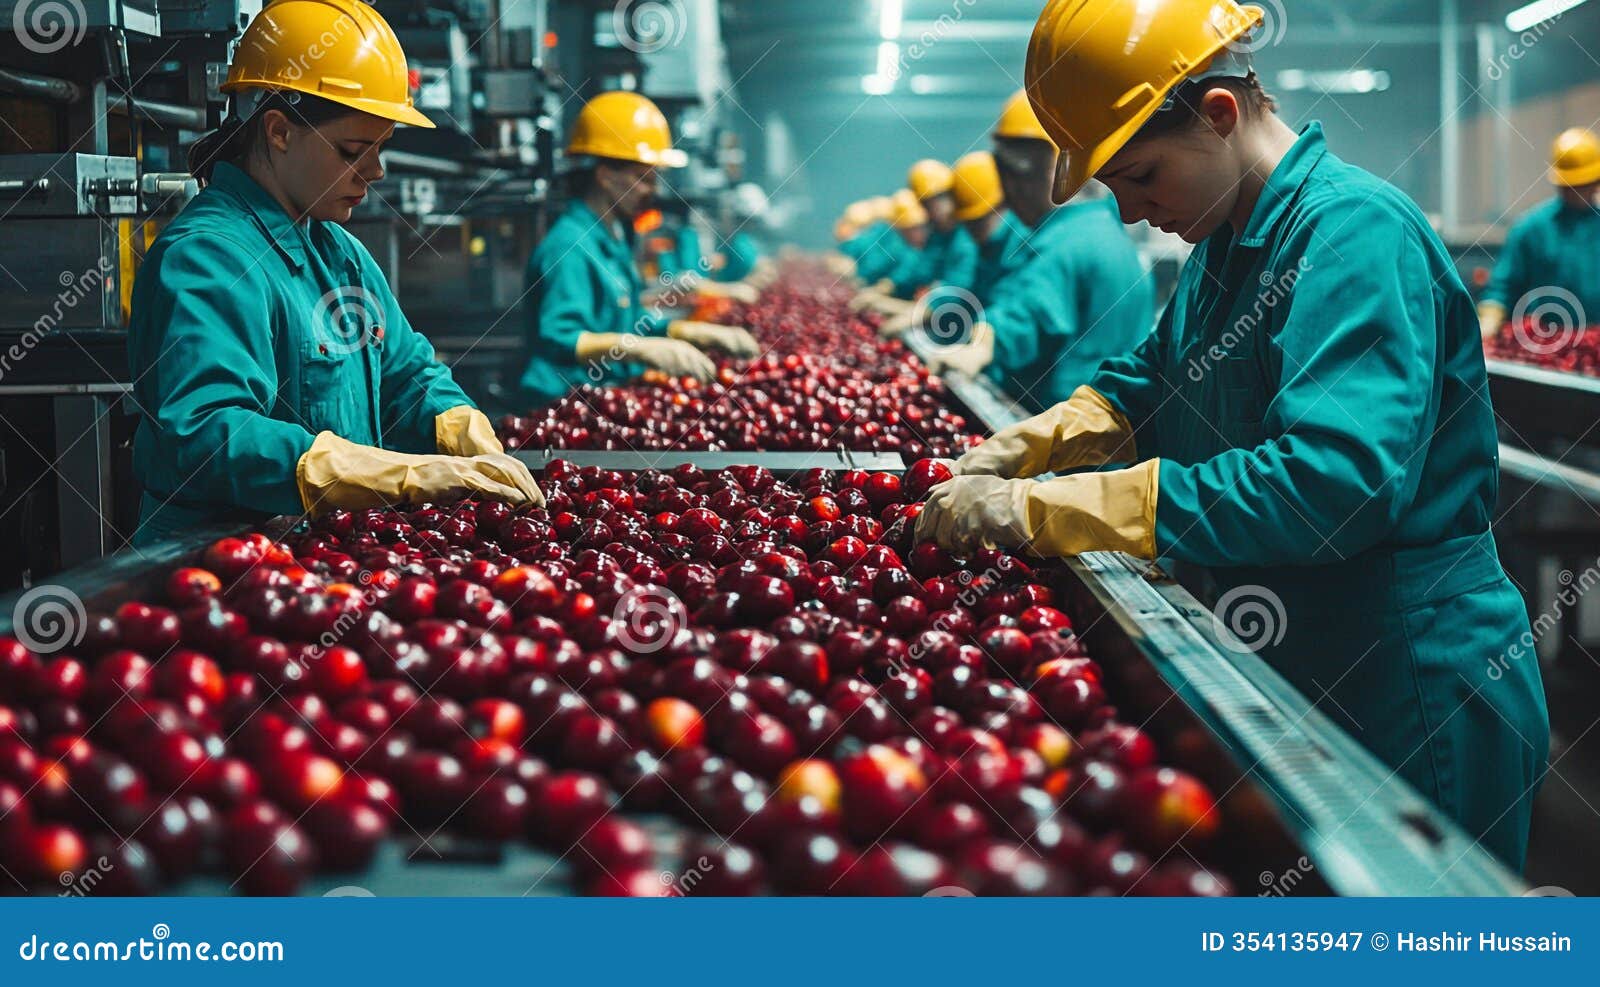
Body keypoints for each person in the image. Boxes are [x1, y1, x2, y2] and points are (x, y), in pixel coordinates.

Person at [917, 0, 1548, 869]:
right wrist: (1042, 437)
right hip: (1306, 646)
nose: (1133, 213)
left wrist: (1053, 508)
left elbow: (1332, 486)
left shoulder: (1353, 233)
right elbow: (1158, 372)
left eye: (1142, 176)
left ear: (1219, 115)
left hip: (1407, 669)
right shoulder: (1229, 240)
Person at [126, 0, 542, 546]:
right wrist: (402, 475)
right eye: (354, 150)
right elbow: (207, 436)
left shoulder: (339, 252)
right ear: (278, 131)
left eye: (381, 147)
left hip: (324, 557)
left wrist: (454, 421)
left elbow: (407, 373)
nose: (375, 171)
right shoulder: (206, 258)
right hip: (220, 574)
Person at [519, 91, 760, 405]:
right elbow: (559, 336)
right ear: (605, 175)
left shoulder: (613, 238)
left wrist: (683, 332)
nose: (652, 190)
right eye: (642, 178)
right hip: (560, 403)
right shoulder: (570, 246)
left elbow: (629, 321)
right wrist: (642, 349)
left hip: (603, 396)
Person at [926, 89, 1154, 413]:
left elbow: (1031, 308)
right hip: (1112, 422)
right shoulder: (1103, 228)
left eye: (1014, 177)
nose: (1011, 192)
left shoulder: (1066, 242)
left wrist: (984, 343)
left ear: (1044, 170)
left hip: (1073, 432)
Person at [878, 151, 1032, 339]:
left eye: (930, 204)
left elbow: (964, 286)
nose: (929, 214)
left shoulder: (990, 241)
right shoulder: (943, 237)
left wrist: (987, 339)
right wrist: (892, 286)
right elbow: (925, 268)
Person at [1478, 127, 1600, 343]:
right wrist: (1484, 333)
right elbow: (1501, 289)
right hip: (1545, 347)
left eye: (1583, 184)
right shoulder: (1530, 228)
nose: (1576, 191)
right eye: (1569, 185)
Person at [857, 161, 979, 314]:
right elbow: (920, 268)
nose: (937, 209)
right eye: (928, 203)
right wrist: (889, 285)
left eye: (941, 197)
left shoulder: (967, 236)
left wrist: (920, 311)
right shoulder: (937, 238)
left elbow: (958, 285)